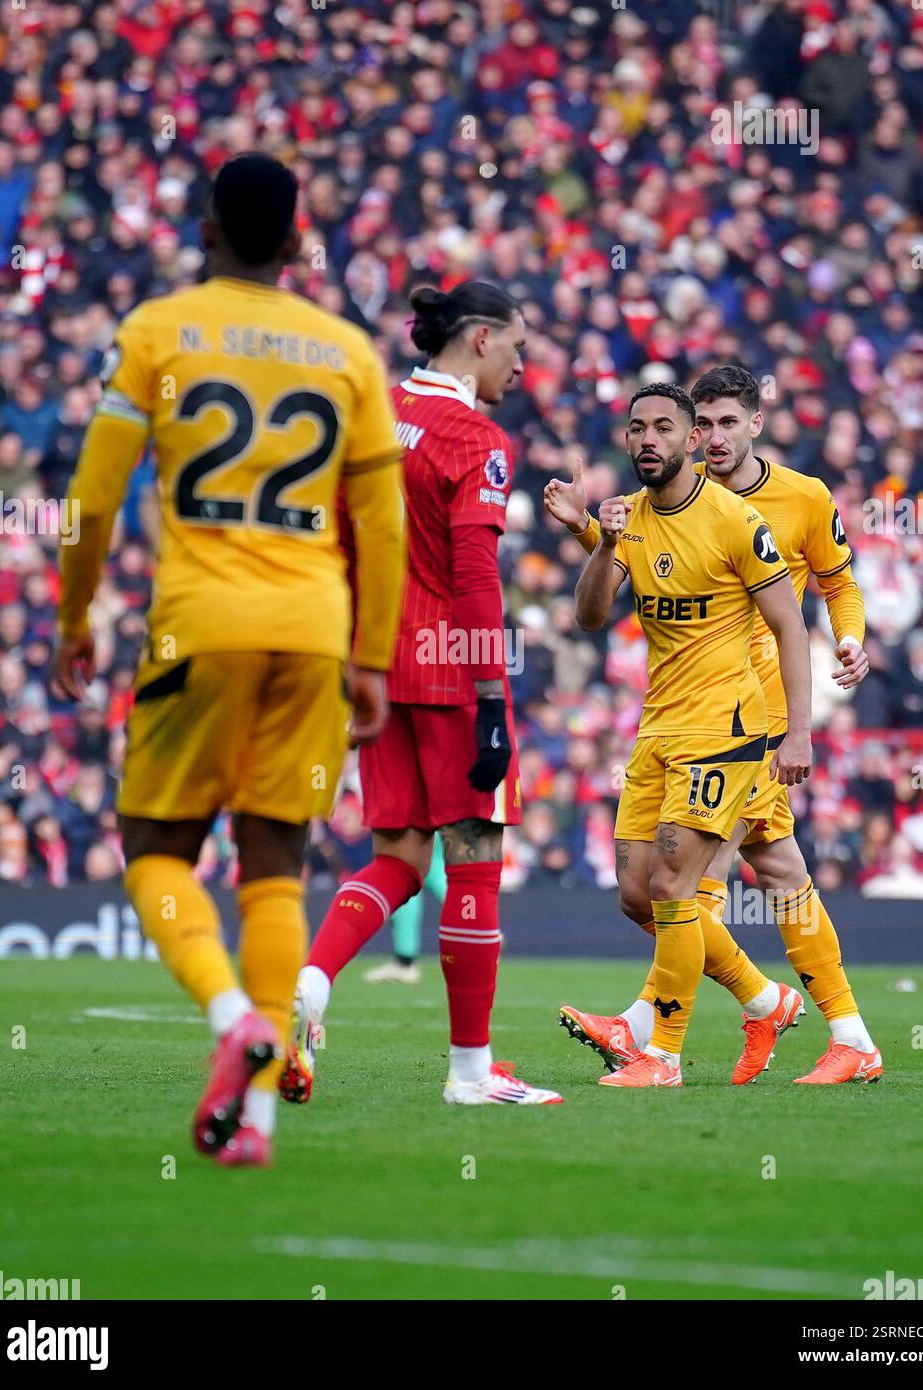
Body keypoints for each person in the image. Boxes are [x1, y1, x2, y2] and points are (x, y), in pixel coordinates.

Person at [51, 152, 406, 1166]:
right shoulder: (346, 352)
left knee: (156, 846)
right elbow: (380, 528)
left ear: (206, 231)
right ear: (299, 242)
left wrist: (76, 614)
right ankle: (251, 1124)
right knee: (276, 866)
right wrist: (370, 659)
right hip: (314, 629)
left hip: (199, 623)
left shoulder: (159, 332)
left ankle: (228, 1019)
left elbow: (93, 494)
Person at [546, 366, 883, 1084]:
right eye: (705, 422)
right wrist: (588, 531)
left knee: (685, 886)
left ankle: (656, 1037)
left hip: (741, 722)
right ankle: (805, 1018)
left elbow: (835, 583)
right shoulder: (649, 507)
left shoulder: (791, 501)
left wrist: (844, 645)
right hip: (673, 719)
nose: (716, 436)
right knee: (729, 878)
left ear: (750, 425)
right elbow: (644, 576)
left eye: (727, 422)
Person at [280, 281, 562, 1106]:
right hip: (447, 671)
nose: (523, 362)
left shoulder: (373, 411)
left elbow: (330, 540)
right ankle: (471, 1075)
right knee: (475, 858)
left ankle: (311, 981)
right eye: (517, 345)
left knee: (399, 857)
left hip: (375, 666)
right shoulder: (476, 437)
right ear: (478, 339)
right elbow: (475, 574)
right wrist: (492, 699)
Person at [363, 834, 445, 984]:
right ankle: (482, 930)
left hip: (413, 818)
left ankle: (404, 961)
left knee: (405, 870)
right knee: (437, 871)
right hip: (441, 818)